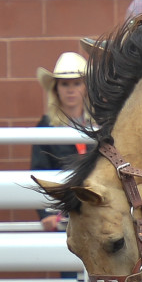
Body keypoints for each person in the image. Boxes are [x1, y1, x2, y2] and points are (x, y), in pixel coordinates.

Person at [32, 52, 91, 232]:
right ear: (56, 88)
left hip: (96, 208)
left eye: (76, 83)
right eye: (65, 84)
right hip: (61, 212)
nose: (70, 90)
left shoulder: (100, 124)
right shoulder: (46, 126)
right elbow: (39, 170)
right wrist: (45, 213)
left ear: (86, 87)